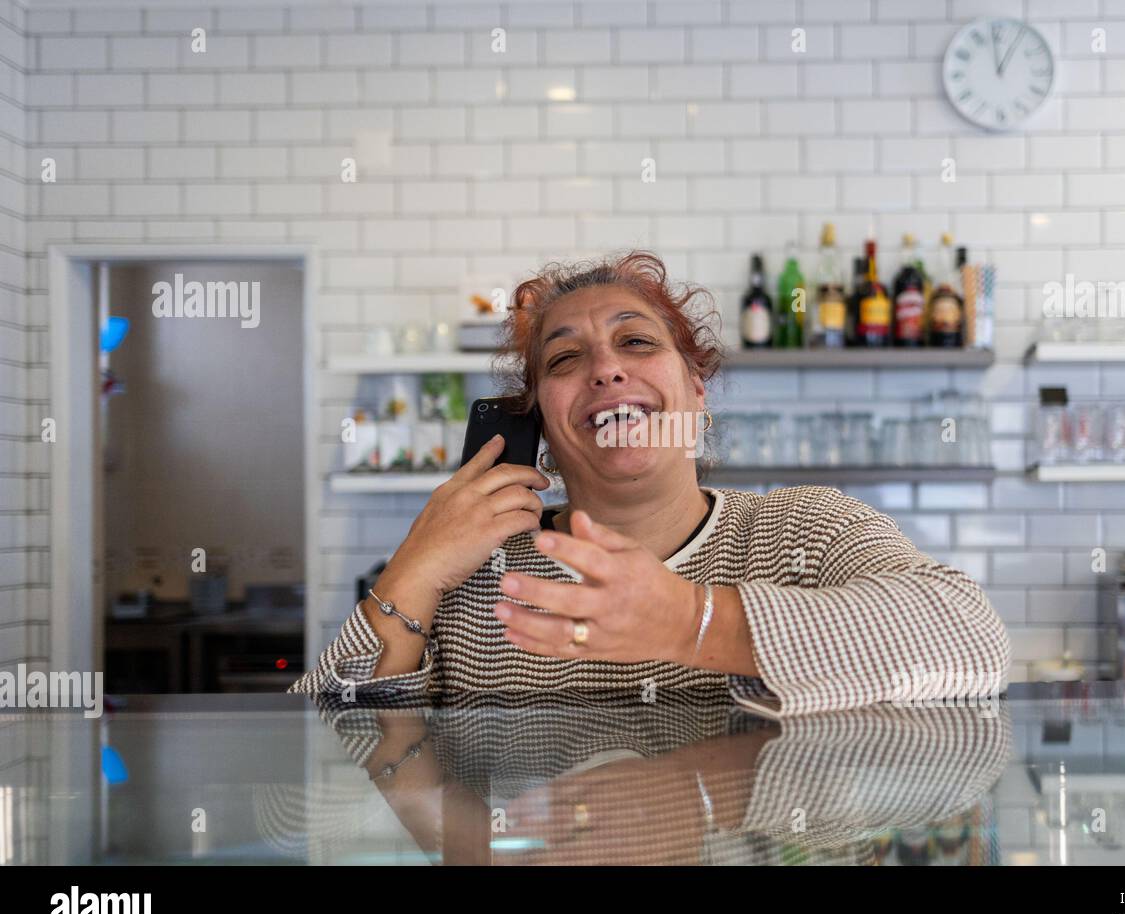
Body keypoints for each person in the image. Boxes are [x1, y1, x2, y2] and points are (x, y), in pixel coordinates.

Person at [289, 251, 1009, 715]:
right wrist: (413, 572)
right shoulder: (481, 583)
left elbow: (972, 640)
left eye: (636, 342)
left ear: (697, 391)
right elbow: (296, 810)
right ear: (535, 416)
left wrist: (689, 620)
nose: (606, 369)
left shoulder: (807, 531)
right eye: (565, 360)